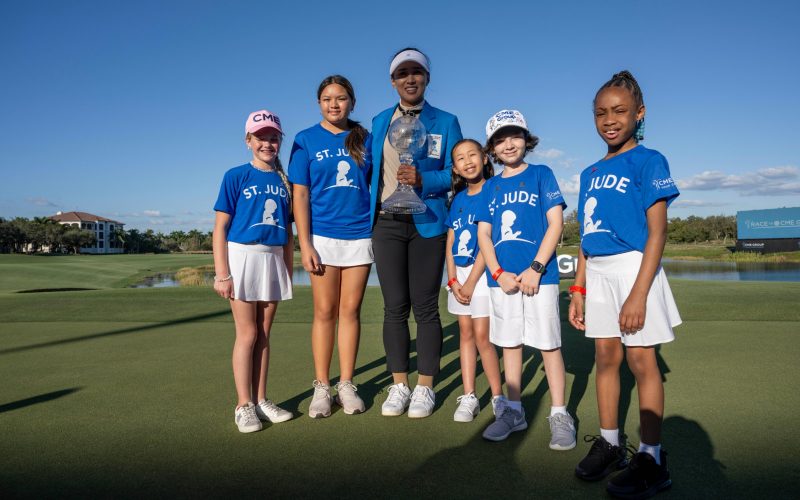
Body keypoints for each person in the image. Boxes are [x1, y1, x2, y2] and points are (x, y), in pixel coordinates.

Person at [569, 70, 681, 499]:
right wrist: (578, 289)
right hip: (597, 272)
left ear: (639, 113)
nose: (609, 119)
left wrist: (638, 292)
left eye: (618, 111)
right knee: (605, 357)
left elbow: (657, 233)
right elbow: (588, 238)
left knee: (641, 361)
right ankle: (612, 444)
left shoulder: (650, 160)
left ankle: (653, 459)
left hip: (636, 269)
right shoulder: (590, 171)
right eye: (601, 112)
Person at [369, 47, 463, 418]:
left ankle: (425, 387)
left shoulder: (446, 120)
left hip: (428, 220)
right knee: (394, 308)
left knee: (425, 307)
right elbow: (368, 172)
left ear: (426, 78)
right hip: (387, 222)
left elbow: (458, 172)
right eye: (403, 73)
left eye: (417, 72)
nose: (410, 78)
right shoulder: (378, 121)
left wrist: (425, 178)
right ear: (393, 81)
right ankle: (399, 385)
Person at [475, 110, 576, 449]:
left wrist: (536, 267)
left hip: (539, 279)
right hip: (502, 282)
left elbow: (555, 224)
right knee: (510, 345)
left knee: (548, 345)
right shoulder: (490, 186)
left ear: (526, 139)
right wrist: (499, 273)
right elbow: (485, 237)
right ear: (492, 146)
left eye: (514, 135)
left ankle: (560, 414)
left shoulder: (541, 174)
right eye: (500, 139)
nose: (509, 144)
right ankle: (514, 411)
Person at [288, 75, 373, 418]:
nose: (333, 104)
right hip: (322, 236)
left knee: (350, 312)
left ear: (352, 102)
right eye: (326, 99)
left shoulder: (365, 138)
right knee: (324, 312)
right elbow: (301, 194)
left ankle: (346, 384)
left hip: (360, 235)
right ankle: (322, 386)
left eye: (340, 98)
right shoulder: (305, 139)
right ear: (318, 103)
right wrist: (304, 243)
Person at [212, 109, 294, 433]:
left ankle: (261, 400)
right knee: (247, 333)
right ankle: (243, 405)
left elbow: (288, 234)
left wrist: (287, 270)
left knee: (264, 334)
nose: (267, 143)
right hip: (242, 256)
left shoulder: (286, 182)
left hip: (273, 258)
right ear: (248, 140)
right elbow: (220, 228)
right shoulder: (236, 176)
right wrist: (222, 274)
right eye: (261, 137)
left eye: (273, 137)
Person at [444, 139, 503, 422]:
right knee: (465, 335)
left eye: (472, 155)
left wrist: (469, 283)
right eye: (460, 158)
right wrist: (453, 280)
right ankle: (469, 396)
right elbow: (451, 240)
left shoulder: (493, 190)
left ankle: (497, 397)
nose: (467, 161)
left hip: (482, 275)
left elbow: (485, 241)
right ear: (454, 168)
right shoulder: (458, 199)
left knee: (483, 337)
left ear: (485, 159)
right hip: (460, 277)